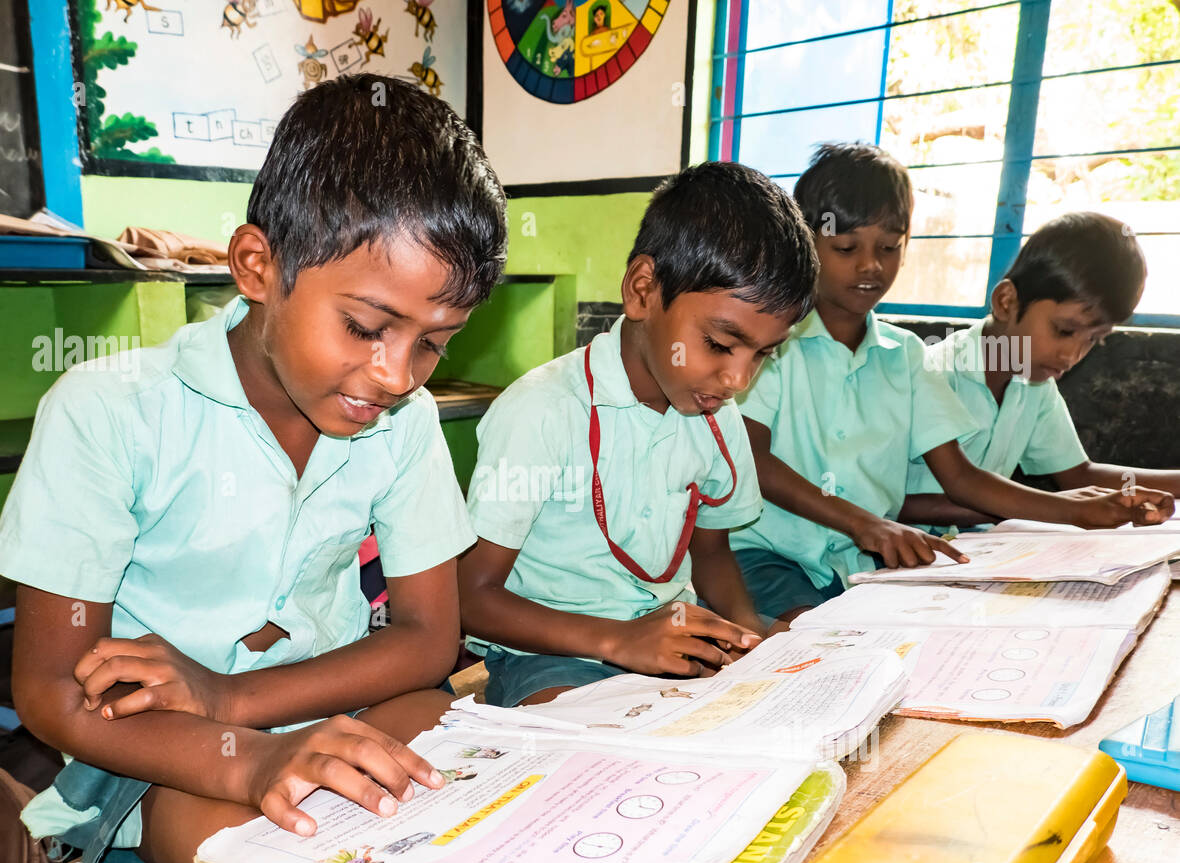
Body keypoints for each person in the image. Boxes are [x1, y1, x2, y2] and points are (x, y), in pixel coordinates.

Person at [0, 75, 508, 863]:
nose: (396, 374)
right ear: (259, 266)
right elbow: (50, 689)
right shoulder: (109, 411)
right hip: (156, 755)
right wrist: (249, 754)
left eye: (433, 344)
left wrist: (230, 698)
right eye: (365, 326)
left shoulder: (403, 421)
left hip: (319, 705)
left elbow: (426, 637)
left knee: (471, 751)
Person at [731, 144, 1171, 625]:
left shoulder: (906, 356)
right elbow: (753, 457)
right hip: (770, 552)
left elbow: (961, 477)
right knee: (812, 639)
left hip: (858, 562)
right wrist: (865, 522)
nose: (870, 266)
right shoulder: (774, 342)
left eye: (889, 248)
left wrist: (1070, 511)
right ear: (806, 244)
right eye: (846, 248)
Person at [459, 162, 818, 707]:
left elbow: (712, 554)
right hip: (552, 650)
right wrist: (619, 640)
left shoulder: (716, 416)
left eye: (762, 354)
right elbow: (471, 596)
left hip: (675, 635)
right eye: (720, 345)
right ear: (643, 290)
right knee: (588, 745)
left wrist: (746, 634)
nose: (738, 380)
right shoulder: (542, 410)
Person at [901, 212, 1179, 530]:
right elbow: (891, 502)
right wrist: (1059, 508)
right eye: (1064, 330)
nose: (1072, 355)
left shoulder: (1034, 385)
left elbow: (1079, 475)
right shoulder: (932, 374)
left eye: (1093, 339)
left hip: (977, 549)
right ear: (1006, 302)